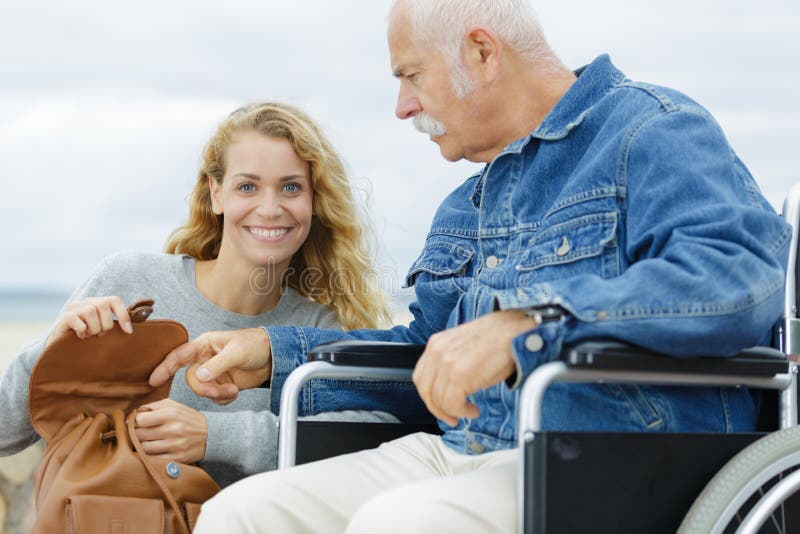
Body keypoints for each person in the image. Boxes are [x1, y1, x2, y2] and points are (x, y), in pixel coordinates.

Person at [150, 0, 792, 531]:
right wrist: (275, 354)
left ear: (482, 52)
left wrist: (533, 324)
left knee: (399, 523)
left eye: (411, 75)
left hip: (613, 454)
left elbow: (739, 280)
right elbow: (425, 359)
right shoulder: (466, 204)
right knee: (243, 514)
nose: (402, 106)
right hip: (461, 448)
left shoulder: (650, 131)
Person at [0, 101, 409, 488]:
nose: (270, 208)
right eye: (247, 186)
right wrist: (52, 353)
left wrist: (215, 435)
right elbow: (6, 433)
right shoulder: (130, 279)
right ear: (216, 193)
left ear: (315, 200)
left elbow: (373, 436)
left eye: (290, 187)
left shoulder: (318, 329)